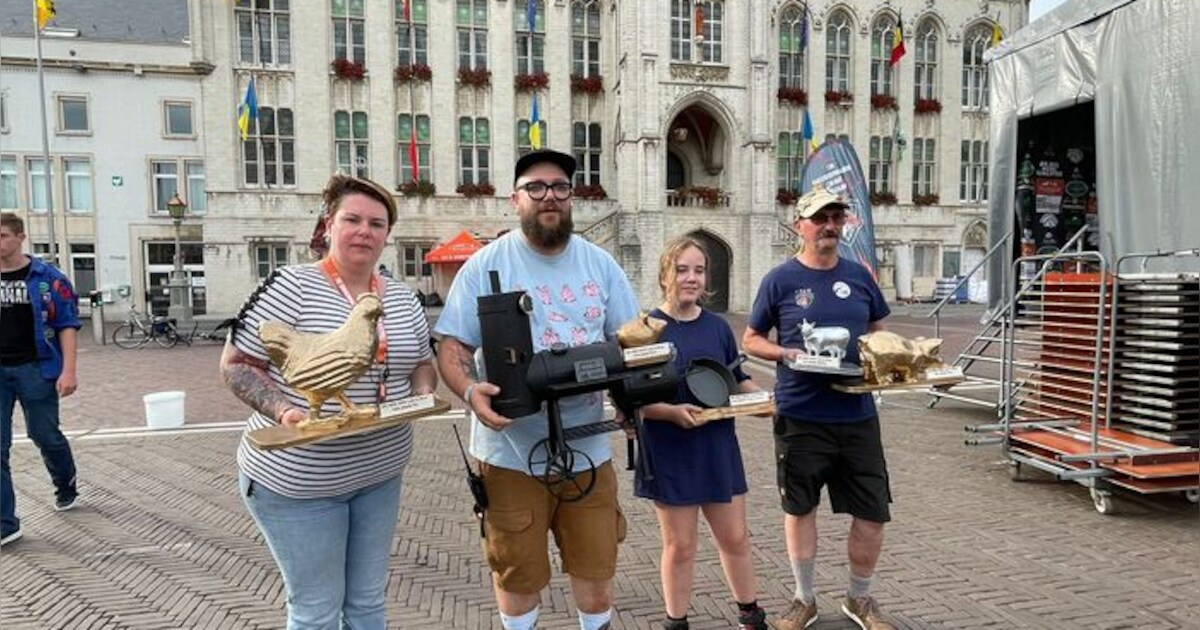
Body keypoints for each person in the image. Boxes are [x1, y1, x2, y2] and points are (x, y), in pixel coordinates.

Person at [220, 174, 438, 629]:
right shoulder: (289, 285)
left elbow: (421, 362)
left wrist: (422, 392)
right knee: (316, 610)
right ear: (328, 225)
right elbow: (237, 363)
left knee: (367, 603)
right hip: (300, 485)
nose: (365, 231)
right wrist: (285, 410)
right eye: (352, 219)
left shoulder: (401, 297)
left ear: (387, 235)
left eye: (377, 223)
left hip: (379, 475)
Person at [434, 149, 639, 630]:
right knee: (517, 573)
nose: (550, 196)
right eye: (536, 187)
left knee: (596, 568)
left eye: (561, 187)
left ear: (573, 196)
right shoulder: (485, 266)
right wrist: (469, 392)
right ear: (515, 198)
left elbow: (627, 342)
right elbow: (452, 345)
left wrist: (634, 404)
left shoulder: (601, 265)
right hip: (509, 453)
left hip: (588, 448)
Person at [742, 184, 894, 630]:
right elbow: (750, 339)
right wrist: (785, 354)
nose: (829, 225)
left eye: (836, 217)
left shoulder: (860, 275)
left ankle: (859, 599)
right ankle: (804, 599)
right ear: (800, 226)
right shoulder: (779, 280)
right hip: (801, 414)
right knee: (799, 509)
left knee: (871, 513)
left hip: (857, 414)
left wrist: (888, 360)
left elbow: (880, 332)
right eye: (820, 218)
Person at [635, 235, 770, 630]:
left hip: (716, 446)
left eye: (698, 270)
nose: (691, 278)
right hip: (670, 448)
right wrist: (670, 412)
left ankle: (751, 615)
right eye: (681, 269)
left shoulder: (717, 327)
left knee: (736, 538)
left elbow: (736, 379)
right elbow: (633, 400)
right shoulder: (646, 329)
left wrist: (765, 401)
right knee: (680, 547)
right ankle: (676, 622)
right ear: (665, 275)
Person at [0, 212, 81, 547]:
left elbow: (66, 323)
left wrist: (69, 370)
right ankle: (6, 523)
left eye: (3, 235)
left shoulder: (48, 278)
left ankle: (65, 481)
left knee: (44, 434)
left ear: (20, 237)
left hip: (37, 367)